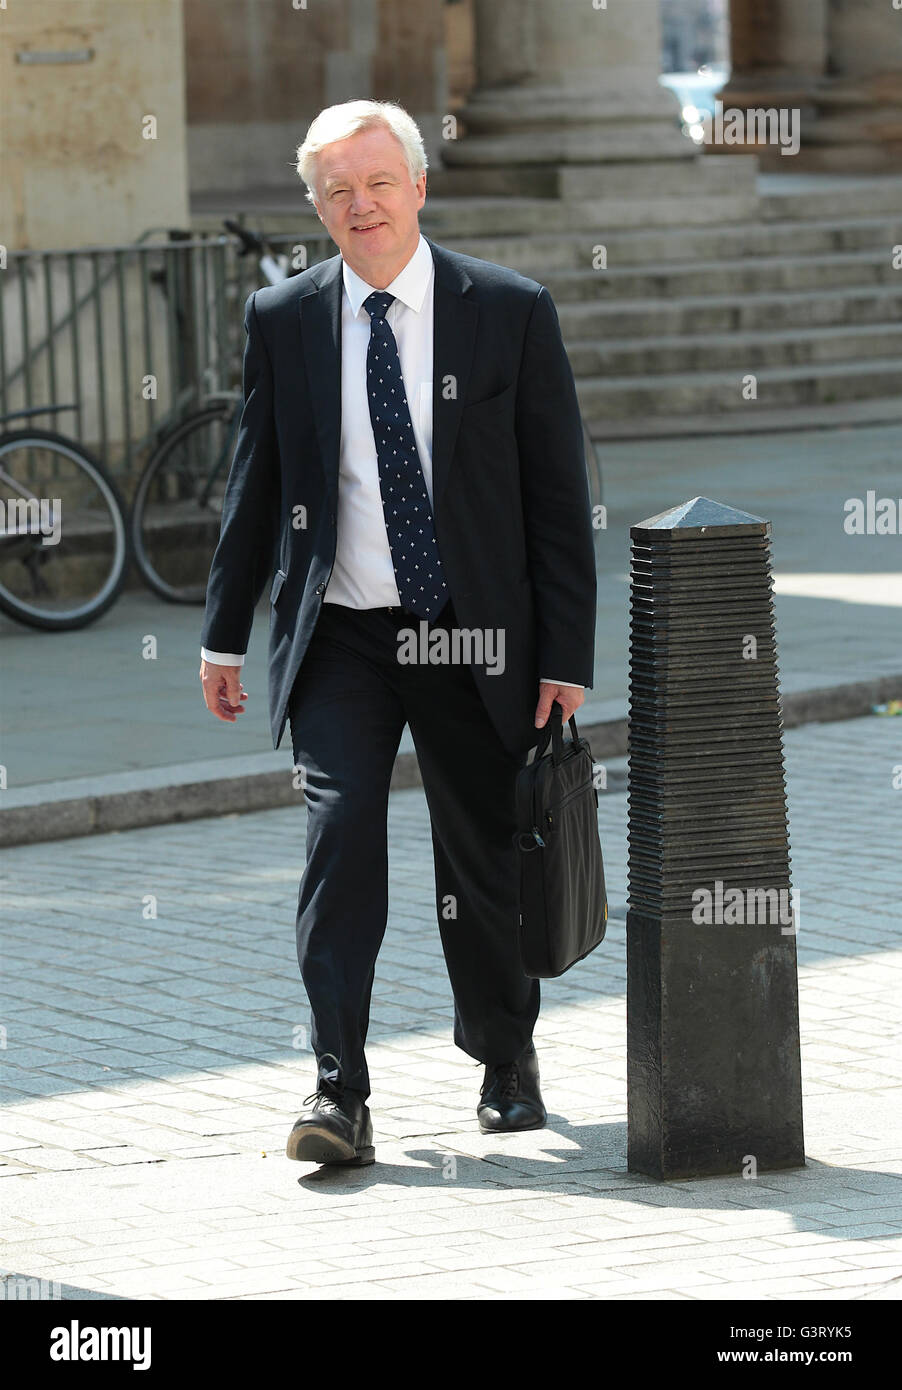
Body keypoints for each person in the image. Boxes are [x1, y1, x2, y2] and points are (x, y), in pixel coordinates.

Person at [199, 100, 596, 1167]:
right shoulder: (283, 317)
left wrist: (564, 654)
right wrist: (223, 635)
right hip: (342, 634)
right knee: (341, 841)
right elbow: (255, 484)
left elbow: (558, 497)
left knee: (481, 854)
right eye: (337, 190)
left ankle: (504, 1060)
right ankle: (339, 1089)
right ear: (316, 204)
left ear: (418, 186)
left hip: (470, 633)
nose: (359, 204)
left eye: (377, 183)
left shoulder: (505, 310)